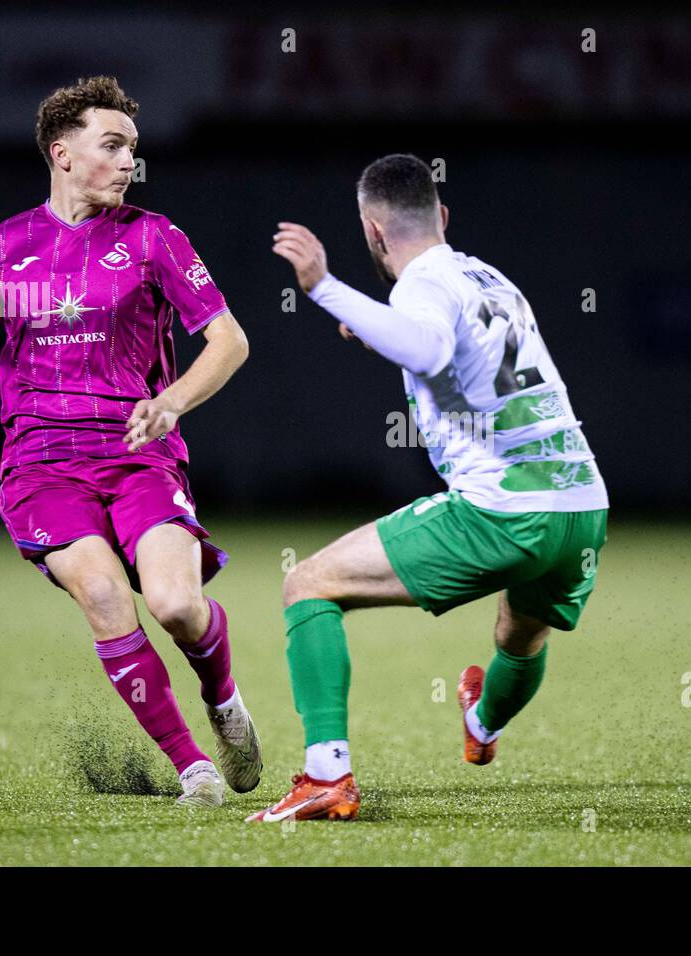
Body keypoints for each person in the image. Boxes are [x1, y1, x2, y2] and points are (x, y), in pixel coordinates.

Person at [0, 76, 260, 808]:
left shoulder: (154, 237)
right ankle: (194, 770)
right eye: (114, 145)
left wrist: (172, 401)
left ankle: (224, 701)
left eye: (134, 147)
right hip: (41, 469)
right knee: (102, 594)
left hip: (138, 456)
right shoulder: (0, 248)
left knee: (176, 607)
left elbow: (230, 341)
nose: (130, 161)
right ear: (62, 153)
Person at [253, 153, 609, 822]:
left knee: (307, 586)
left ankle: (326, 775)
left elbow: (429, 351)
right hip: (582, 505)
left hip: (506, 511)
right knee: (518, 635)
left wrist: (323, 284)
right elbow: (464, 365)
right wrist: (381, 336)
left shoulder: (419, 286)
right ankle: (485, 724)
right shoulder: (491, 279)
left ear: (373, 233)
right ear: (441, 215)